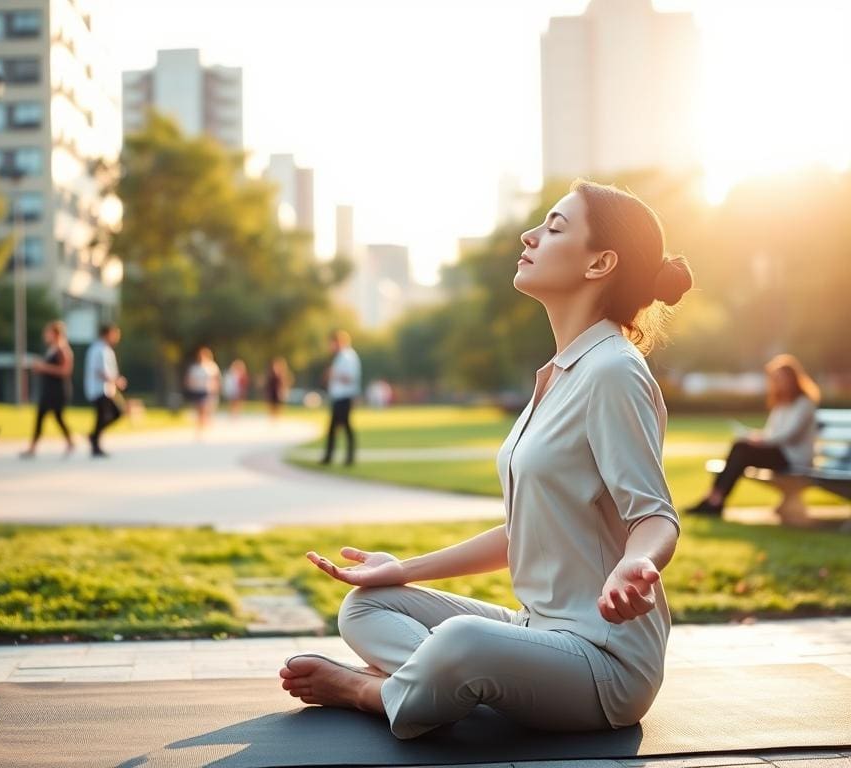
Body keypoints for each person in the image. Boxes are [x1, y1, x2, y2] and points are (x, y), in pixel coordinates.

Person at [280, 180, 694, 739]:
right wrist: (401, 569)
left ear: (600, 263)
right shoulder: (560, 374)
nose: (530, 235)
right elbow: (528, 530)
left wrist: (635, 564)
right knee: (366, 606)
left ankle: (370, 690)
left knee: (463, 641)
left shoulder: (613, 371)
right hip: (538, 630)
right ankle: (443, 684)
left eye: (554, 227)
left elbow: (653, 516)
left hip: (605, 664)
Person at [686, 354, 820, 516]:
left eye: (781, 379)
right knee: (741, 447)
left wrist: (760, 441)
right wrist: (756, 436)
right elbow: (773, 433)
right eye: (775, 379)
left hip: (793, 457)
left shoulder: (803, 403)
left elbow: (787, 435)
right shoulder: (782, 403)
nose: (778, 383)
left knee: (741, 448)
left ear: (793, 379)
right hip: (779, 453)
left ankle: (715, 499)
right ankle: (715, 498)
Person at [21, 320, 74, 458]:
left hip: (57, 390)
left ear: (56, 334)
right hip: (49, 390)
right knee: (53, 417)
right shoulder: (52, 350)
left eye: (48, 333)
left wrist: (44, 367)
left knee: (48, 416)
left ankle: (33, 448)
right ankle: (69, 441)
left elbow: (65, 370)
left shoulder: (63, 350)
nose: (46, 336)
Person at [84, 323, 126, 458]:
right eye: (114, 333)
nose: (117, 337)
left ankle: (94, 437)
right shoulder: (98, 349)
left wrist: (114, 381)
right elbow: (99, 371)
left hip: (108, 389)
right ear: (107, 334)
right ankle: (95, 444)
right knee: (103, 416)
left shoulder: (107, 350)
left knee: (115, 413)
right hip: (98, 388)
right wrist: (116, 381)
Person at [320, 330, 361, 466]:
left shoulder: (348, 357)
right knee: (334, 428)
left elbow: (350, 378)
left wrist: (333, 375)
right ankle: (331, 456)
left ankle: (348, 457)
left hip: (345, 396)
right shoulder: (341, 357)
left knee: (345, 426)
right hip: (338, 396)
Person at [184, 347, 221, 435]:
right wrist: (189, 385)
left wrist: (215, 388)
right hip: (196, 390)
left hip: (206, 390)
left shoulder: (211, 367)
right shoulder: (195, 368)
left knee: (204, 408)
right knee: (198, 409)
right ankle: (200, 425)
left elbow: (216, 379)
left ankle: (203, 426)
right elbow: (189, 379)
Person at [264, 356, 293, 421]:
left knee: (279, 407)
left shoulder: (283, 375)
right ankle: (273, 419)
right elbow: (268, 384)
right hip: (272, 392)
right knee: (272, 407)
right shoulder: (271, 374)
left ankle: (277, 419)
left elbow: (286, 383)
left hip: (279, 393)